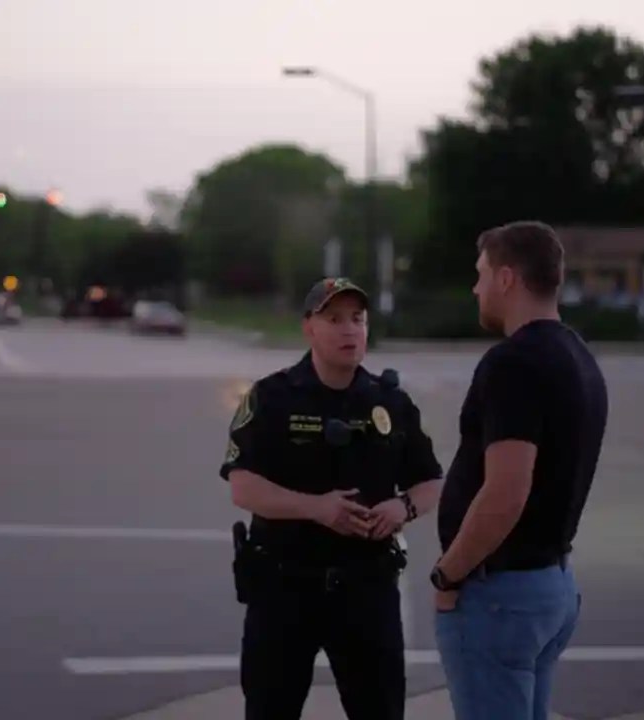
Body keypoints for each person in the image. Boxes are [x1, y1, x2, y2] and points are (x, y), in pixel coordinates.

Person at [221, 277, 444, 720]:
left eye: (358, 319)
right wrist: (317, 508)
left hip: (367, 590)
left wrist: (403, 508)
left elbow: (432, 481)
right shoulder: (272, 397)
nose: (349, 330)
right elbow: (242, 487)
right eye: (335, 319)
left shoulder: (391, 402)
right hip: (284, 590)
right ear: (308, 328)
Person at [429, 221, 609, 720]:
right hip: (551, 583)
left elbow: (507, 491)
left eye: (481, 274)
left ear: (507, 279)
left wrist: (447, 576)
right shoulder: (579, 357)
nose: (475, 287)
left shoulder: (514, 363)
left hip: (500, 596)